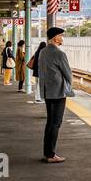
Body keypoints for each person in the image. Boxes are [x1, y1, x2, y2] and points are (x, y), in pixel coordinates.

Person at [35, 26, 74, 163]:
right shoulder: (59, 54)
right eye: (61, 36)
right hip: (57, 92)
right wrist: (69, 88)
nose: (62, 38)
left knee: (50, 122)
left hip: (46, 91)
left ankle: (48, 153)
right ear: (55, 37)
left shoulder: (43, 52)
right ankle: (51, 155)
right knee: (56, 123)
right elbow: (68, 75)